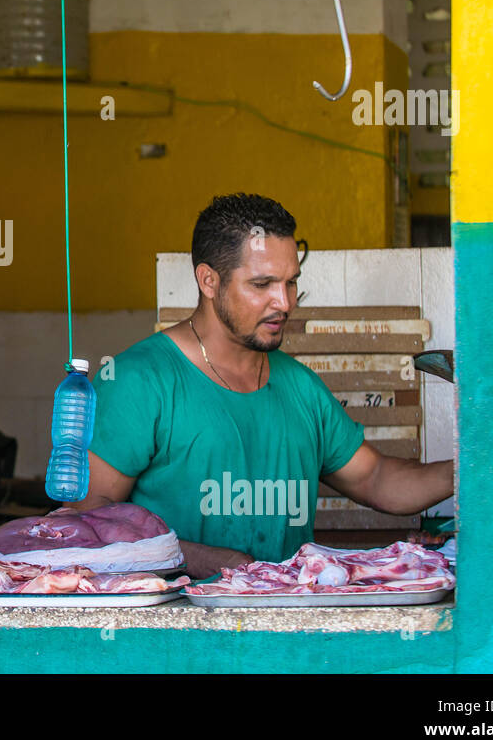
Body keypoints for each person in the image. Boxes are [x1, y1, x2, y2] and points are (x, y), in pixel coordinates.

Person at [68, 193, 454, 578]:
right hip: (175, 629)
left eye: (290, 283)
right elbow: (90, 522)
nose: (283, 302)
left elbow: (375, 478)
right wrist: (209, 561)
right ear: (209, 280)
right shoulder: (138, 380)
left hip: (284, 623)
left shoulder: (300, 387)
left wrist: (468, 469)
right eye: (262, 284)